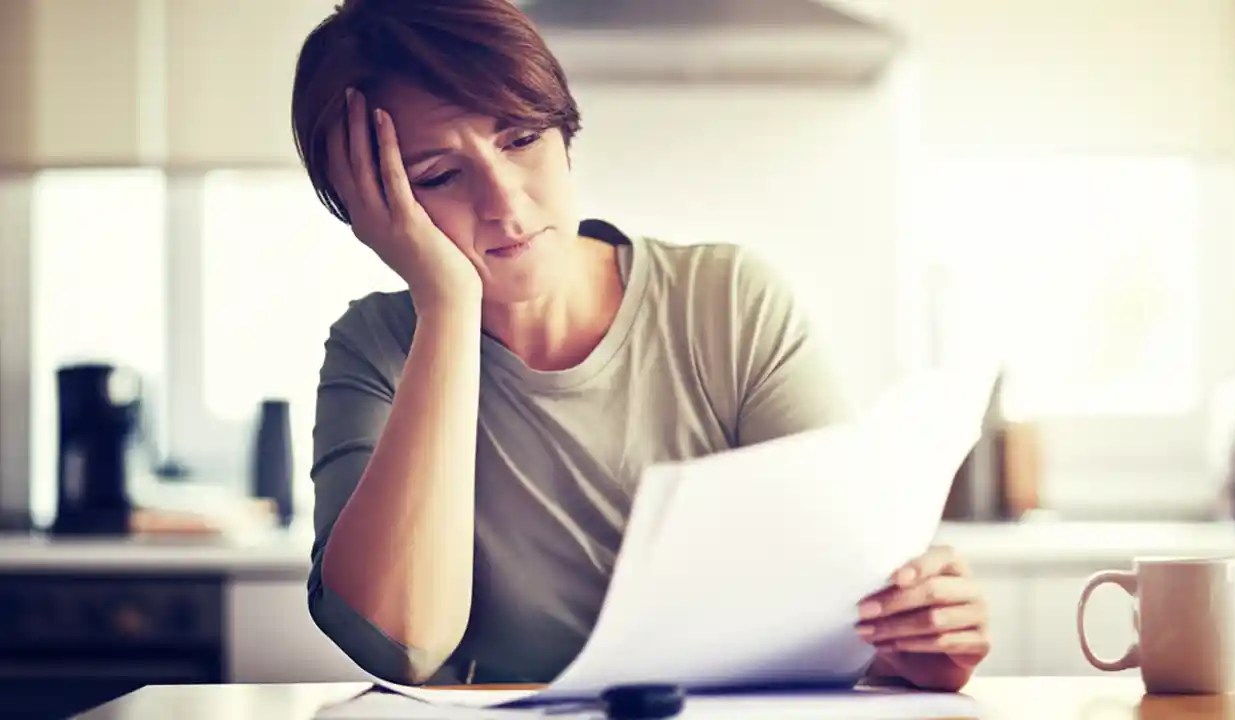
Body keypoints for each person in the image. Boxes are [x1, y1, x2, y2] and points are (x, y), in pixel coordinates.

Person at [290, 0, 990, 691]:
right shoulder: (375, 349)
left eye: (522, 138)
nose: (506, 202)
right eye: (439, 176)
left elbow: (839, 596)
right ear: (371, 205)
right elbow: (401, 647)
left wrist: (909, 641)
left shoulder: (729, 302)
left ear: (562, 129)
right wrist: (446, 304)